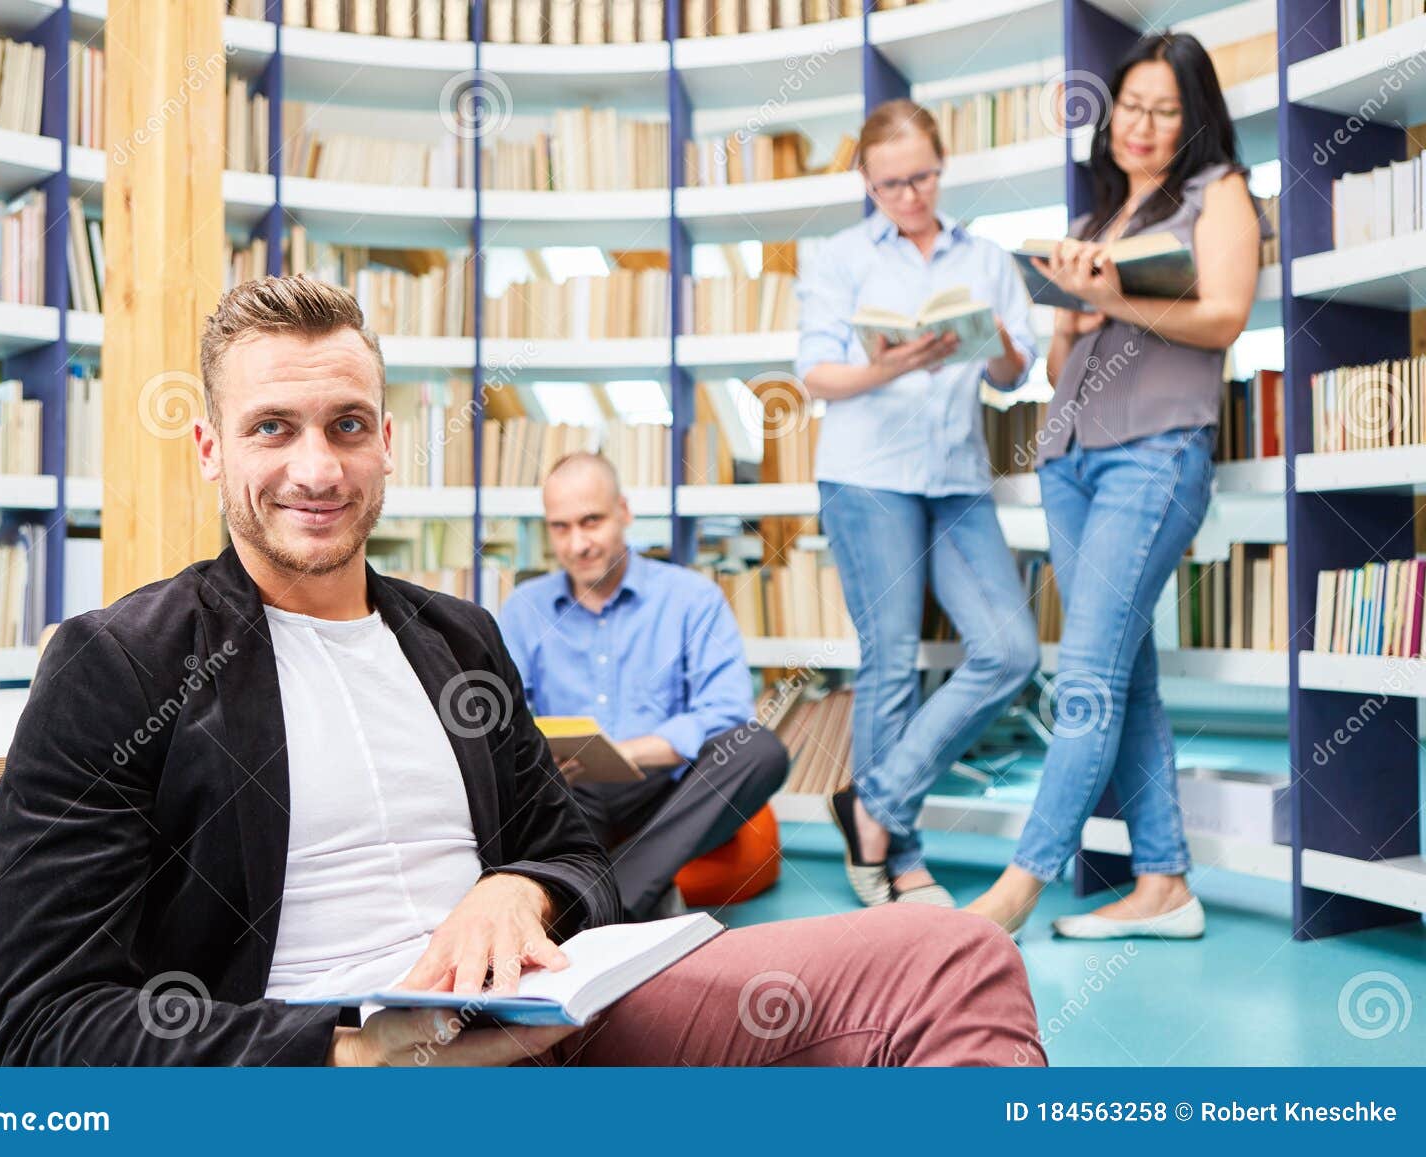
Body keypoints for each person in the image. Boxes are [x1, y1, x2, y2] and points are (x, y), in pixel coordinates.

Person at [0, 274, 1046, 1067]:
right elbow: (39, 1025)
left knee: (954, 952)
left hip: (551, 1024)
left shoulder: (457, 639)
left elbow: (574, 846)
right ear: (211, 447)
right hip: (333, 1072)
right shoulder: (119, 664)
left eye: (346, 426)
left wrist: (517, 885)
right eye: (273, 429)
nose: (316, 467)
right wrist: (349, 1048)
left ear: (386, 441)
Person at [966, 33, 1268, 939]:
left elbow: (1222, 319)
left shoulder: (1219, 195)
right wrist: (1064, 310)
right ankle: (1164, 880)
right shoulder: (1097, 223)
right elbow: (1067, 364)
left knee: (1087, 672)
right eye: (1129, 105)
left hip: (1156, 451)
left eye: (1164, 109)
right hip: (1070, 455)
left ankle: (1016, 888)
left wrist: (1115, 301)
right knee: (1124, 676)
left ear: (1195, 118)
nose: (1140, 125)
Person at [796, 99, 1041, 909]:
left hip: (958, 476)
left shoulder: (987, 257)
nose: (909, 195)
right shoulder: (838, 257)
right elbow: (818, 374)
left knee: (1011, 651)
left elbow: (1012, 377)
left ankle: (876, 799)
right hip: (868, 475)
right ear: (866, 179)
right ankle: (898, 860)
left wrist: (997, 345)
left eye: (923, 177)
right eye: (892, 182)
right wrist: (899, 362)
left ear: (943, 166)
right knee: (890, 662)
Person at [497, 452, 789, 923]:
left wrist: (629, 752)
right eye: (561, 527)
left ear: (625, 512)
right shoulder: (523, 608)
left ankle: (612, 895)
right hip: (569, 790)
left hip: (667, 793)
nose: (578, 544)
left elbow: (727, 710)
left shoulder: (692, 597)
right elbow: (508, 713)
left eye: (591, 521)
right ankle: (641, 889)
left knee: (760, 749)